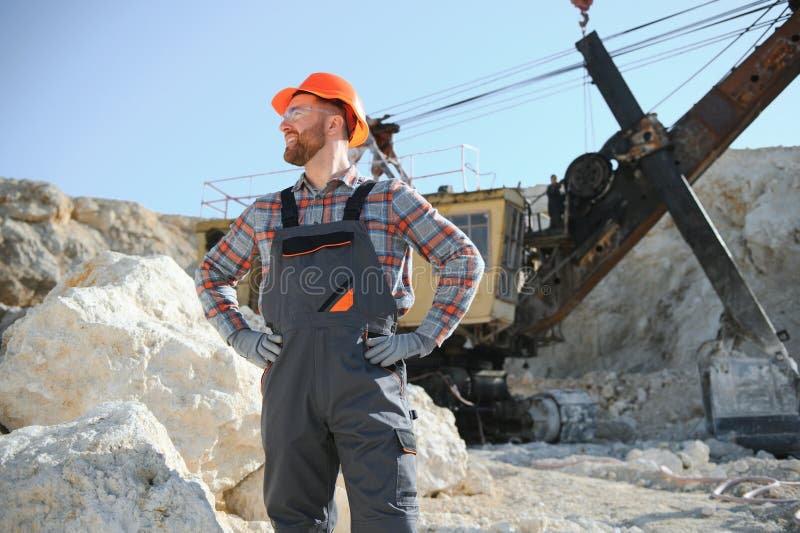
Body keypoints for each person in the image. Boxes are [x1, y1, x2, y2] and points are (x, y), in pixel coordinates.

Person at [195, 72, 484, 533]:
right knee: (295, 521)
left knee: (387, 519)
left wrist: (424, 338)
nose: (282, 124)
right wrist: (240, 336)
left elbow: (464, 258)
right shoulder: (268, 211)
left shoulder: (389, 199)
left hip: (367, 379)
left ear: (335, 123)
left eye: (296, 111)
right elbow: (211, 274)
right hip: (290, 384)